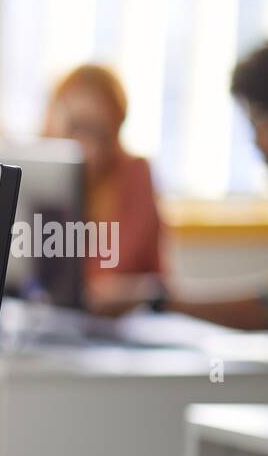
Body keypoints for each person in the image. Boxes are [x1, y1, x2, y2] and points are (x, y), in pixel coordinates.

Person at [85, 49, 268, 330]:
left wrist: (155, 299)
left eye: (257, 119)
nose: (255, 140)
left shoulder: (134, 173)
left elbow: (263, 308)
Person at [43, 63, 166, 294]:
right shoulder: (41, 171)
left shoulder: (133, 173)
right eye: (75, 127)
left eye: (98, 132)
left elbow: (107, 274)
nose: (86, 146)